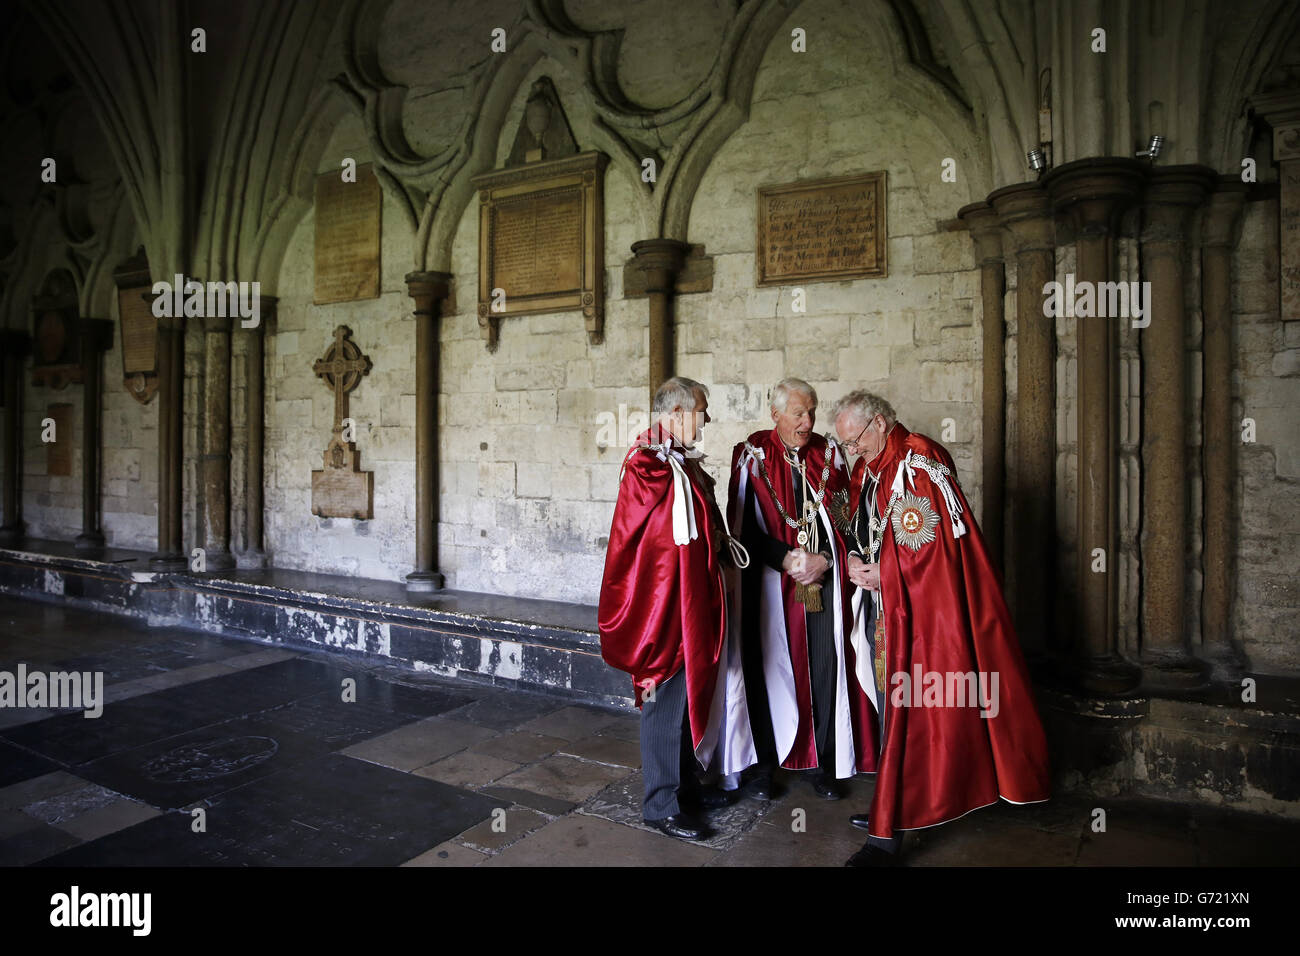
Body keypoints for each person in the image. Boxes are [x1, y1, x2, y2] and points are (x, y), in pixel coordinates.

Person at [830, 389, 1051, 866]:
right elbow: (858, 525)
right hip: (879, 609)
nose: (852, 451)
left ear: (881, 423)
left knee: (912, 712)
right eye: (846, 444)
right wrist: (851, 557)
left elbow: (934, 556)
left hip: (921, 615)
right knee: (892, 711)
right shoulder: (868, 468)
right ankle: (889, 805)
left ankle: (887, 837)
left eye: (856, 441)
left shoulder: (920, 461)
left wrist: (883, 574)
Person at [598, 377, 754, 841]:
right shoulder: (649, 465)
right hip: (664, 608)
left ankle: (686, 788)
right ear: (679, 412)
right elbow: (655, 545)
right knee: (664, 702)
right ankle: (660, 806)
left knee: (687, 699)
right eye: (702, 411)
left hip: (691, 601)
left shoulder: (677, 462)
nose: (706, 421)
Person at [728, 378, 877, 802]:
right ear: (775, 414)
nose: (808, 421)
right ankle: (763, 766)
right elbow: (739, 530)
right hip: (770, 590)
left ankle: (822, 761)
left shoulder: (828, 454)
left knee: (824, 671)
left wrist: (824, 561)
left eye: (811, 411)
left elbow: (851, 524)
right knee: (767, 672)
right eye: (798, 413)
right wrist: (787, 559)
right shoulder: (751, 456)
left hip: (823, 587)